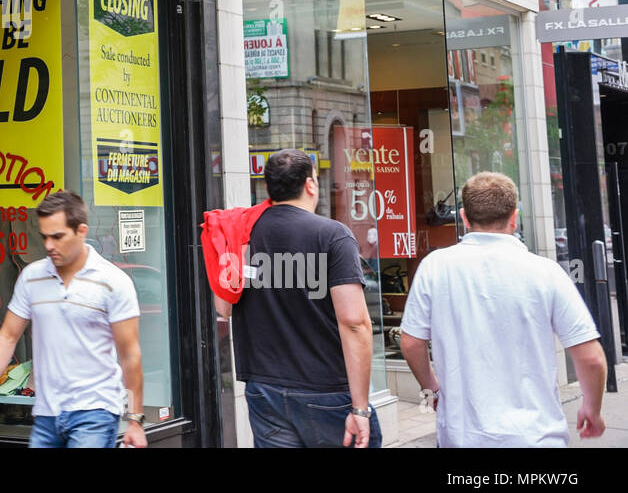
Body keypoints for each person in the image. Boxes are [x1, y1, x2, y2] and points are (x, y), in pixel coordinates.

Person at [400, 171, 607, 447]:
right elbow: (591, 358)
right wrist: (591, 408)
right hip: (536, 437)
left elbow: (411, 342)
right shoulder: (546, 272)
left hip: (462, 438)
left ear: (463, 217)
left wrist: (432, 389)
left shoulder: (434, 267)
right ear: (514, 217)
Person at [215, 149, 378, 448]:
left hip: (264, 391)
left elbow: (223, 308)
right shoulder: (332, 235)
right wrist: (360, 408)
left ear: (269, 188)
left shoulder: (243, 236)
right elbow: (354, 323)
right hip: (326, 390)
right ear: (310, 184)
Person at [0, 190, 147, 448]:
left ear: (81, 231)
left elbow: (130, 355)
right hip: (46, 413)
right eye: (44, 237)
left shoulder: (113, 282)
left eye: (57, 237)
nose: (48, 246)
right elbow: (8, 335)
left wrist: (135, 420)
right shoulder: (32, 277)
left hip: (95, 411)